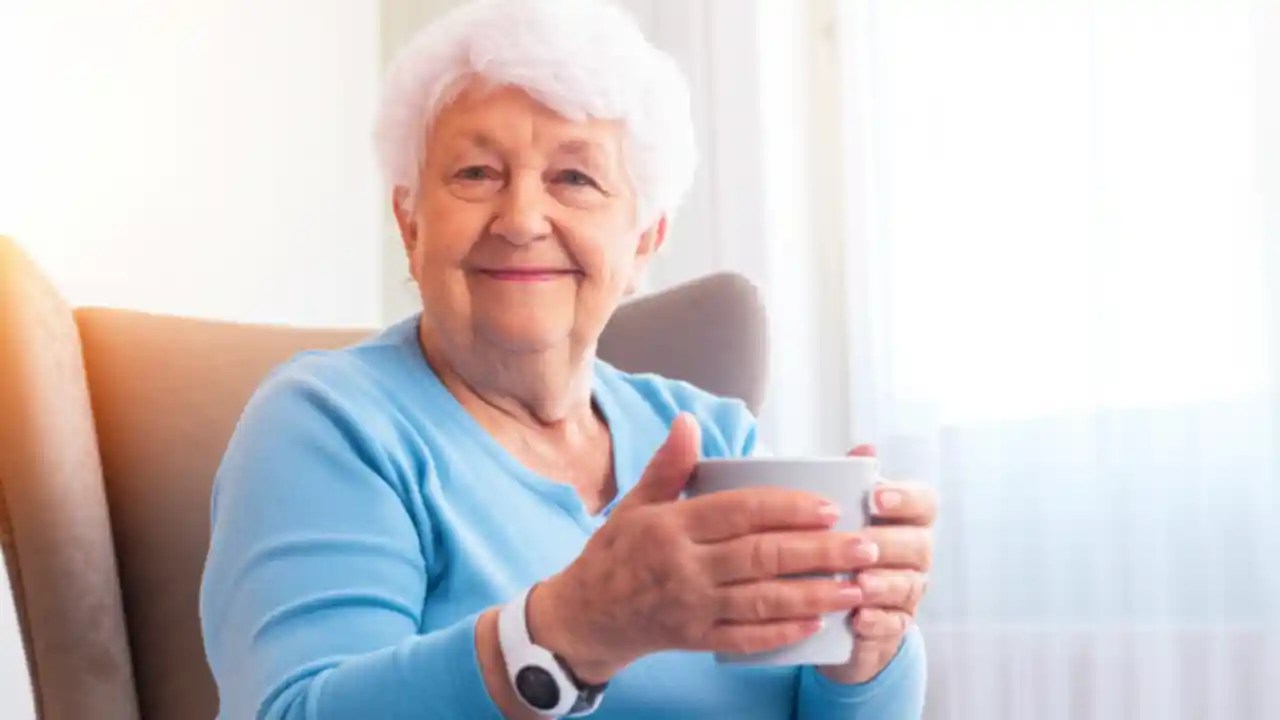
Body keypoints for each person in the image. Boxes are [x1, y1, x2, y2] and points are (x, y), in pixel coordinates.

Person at [199, 1, 935, 717]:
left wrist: (867, 646)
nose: (521, 220)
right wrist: (566, 632)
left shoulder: (716, 436)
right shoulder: (332, 425)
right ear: (410, 221)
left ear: (643, 241)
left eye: (574, 179)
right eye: (477, 173)